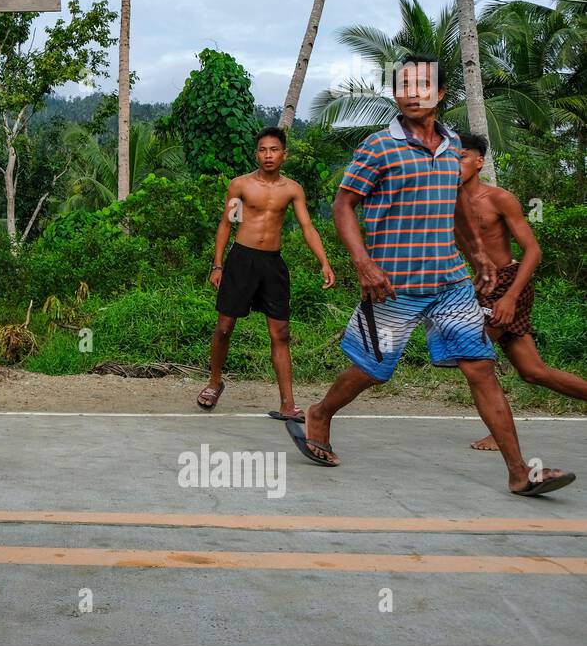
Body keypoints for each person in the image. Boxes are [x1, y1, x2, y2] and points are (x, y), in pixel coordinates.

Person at [284, 56, 576, 497]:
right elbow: (344, 205)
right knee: (372, 371)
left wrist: (476, 252)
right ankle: (320, 413)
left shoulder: (453, 145)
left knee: (480, 366)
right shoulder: (378, 147)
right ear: (396, 94)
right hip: (393, 283)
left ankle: (520, 472)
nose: (412, 92)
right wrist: (363, 263)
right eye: (404, 85)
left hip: (450, 283)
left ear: (440, 95)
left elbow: (457, 201)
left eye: (423, 85)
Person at [454, 132, 587, 449]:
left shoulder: (498, 199)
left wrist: (511, 296)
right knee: (533, 371)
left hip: (510, 282)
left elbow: (533, 251)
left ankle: (500, 435)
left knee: (475, 359)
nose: (454, 164)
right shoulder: (448, 202)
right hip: (483, 286)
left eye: (460, 157)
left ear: (478, 161)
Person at [198, 127, 335, 418]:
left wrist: (324, 261)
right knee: (224, 326)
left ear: (284, 154)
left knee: (281, 333)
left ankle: (287, 403)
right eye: (263, 150)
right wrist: (218, 264)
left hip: (272, 264)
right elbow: (227, 224)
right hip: (241, 260)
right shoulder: (241, 186)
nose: (268, 155)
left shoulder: (292, 189)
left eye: (274, 150)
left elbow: (307, 227)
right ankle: (214, 382)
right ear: (256, 153)